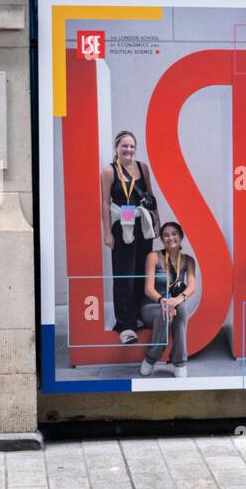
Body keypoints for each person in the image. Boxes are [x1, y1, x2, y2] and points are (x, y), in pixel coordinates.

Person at [100, 130, 161, 345]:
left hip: (142, 225)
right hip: (120, 227)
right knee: (124, 276)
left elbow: (150, 197)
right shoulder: (108, 171)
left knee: (142, 273)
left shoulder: (142, 168)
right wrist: (107, 232)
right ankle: (125, 325)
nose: (128, 150)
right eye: (124, 146)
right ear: (116, 148)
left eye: (132, 146)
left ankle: (137, 317)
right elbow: (106, 203)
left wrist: (157, 222)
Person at [140, 221, 197, 378]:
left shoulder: (188, 260)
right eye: (166, 235)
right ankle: (151, 358)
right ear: (162, 239)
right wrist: (163, 301)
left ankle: (179, 363)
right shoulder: (153, 257)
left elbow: (192, 287)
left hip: (174, 302)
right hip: (152, 305)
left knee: (181, 312)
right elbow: (148, 289)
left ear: (181, 236)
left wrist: (178, 299)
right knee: (162, 314)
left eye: (174, 234)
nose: (170, 237)